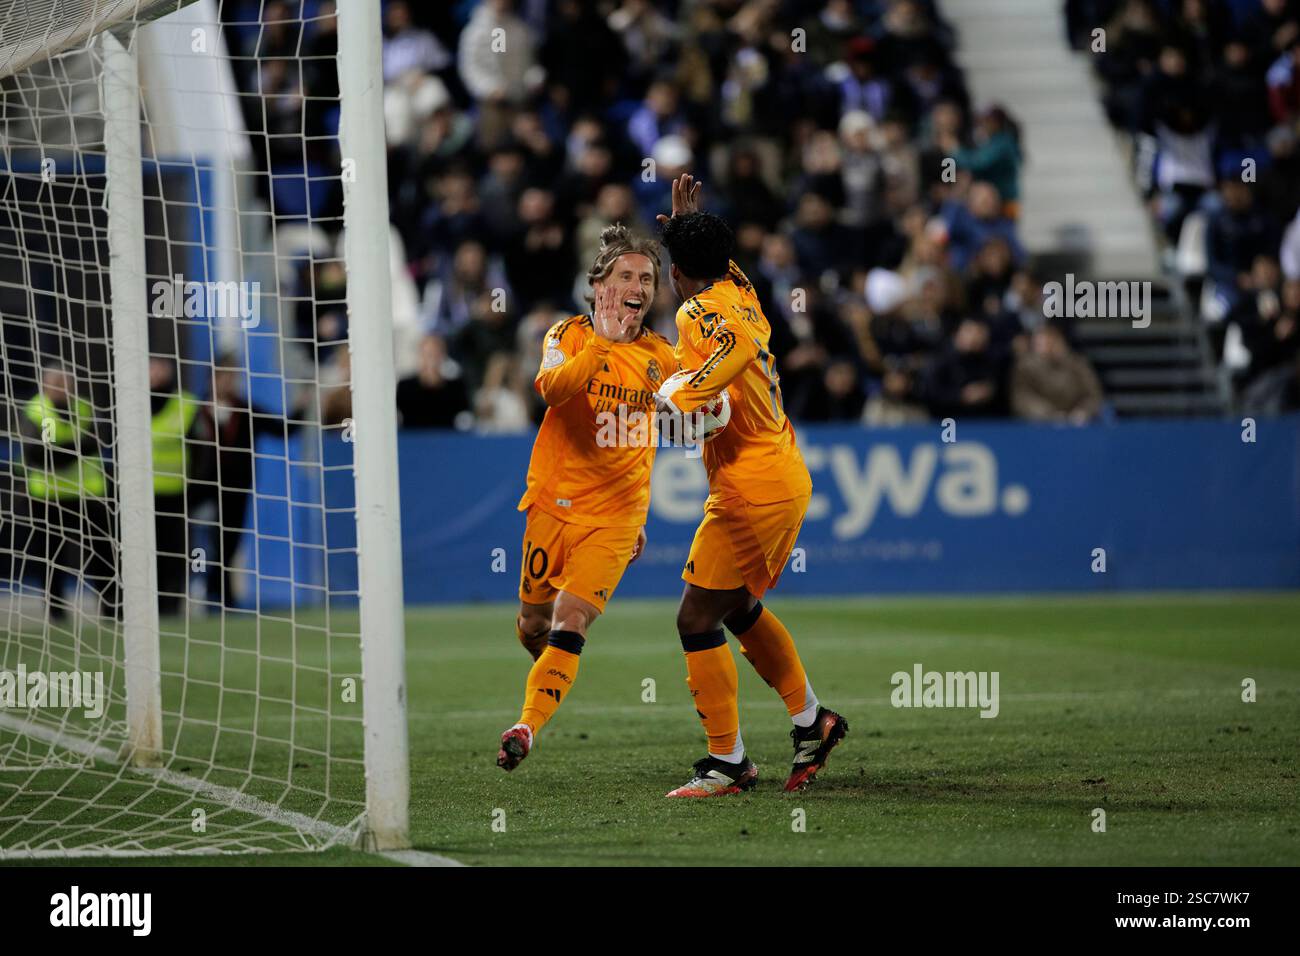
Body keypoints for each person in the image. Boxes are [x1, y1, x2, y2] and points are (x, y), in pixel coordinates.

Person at [655, 174, 848, 797]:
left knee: (695, 616)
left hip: (752, 485)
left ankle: (727, 762)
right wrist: (685, 229)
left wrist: (687, 393)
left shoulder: (694, 311)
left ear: (676, 273)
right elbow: (717, 272)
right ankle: (812, 721)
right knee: (735, 607)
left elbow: (733, 346)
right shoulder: (740, 287)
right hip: (778, 470)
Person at [497, 225, 678, 772]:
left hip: (617, 518)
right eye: (626, 275)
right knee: (534, 624)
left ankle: (526, 725)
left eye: (647, 278)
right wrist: (604, 345)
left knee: (570, 618)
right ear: (599, 285)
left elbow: (672, 424)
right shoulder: (568, 335)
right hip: (553, 505)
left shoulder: (663, 357)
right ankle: (554, 667)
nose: (638, 286)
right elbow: (551, 390)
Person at [17, 361, 116, 620]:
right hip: (48, 496)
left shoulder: (84, 408)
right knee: (51, 558)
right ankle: (56, 612)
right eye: (57, 382)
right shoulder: (39, 411)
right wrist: (79, 447)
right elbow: (44, 456)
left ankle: (112, 609)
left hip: (88, 494)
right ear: (45, 385)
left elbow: (99, 440)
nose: (63, 387)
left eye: (67, 382)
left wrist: (72, 449)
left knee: (104, 554)